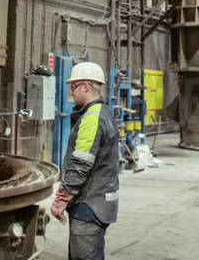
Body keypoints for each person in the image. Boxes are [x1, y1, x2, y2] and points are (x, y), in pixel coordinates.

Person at [50, 61, 119, 260]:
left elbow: (80, 163)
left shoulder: (92, 118)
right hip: (100, 203)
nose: (72, 93)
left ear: (86, 86)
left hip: (89, 206)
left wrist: (62, 199)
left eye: (74, 87)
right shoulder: (104, 112)